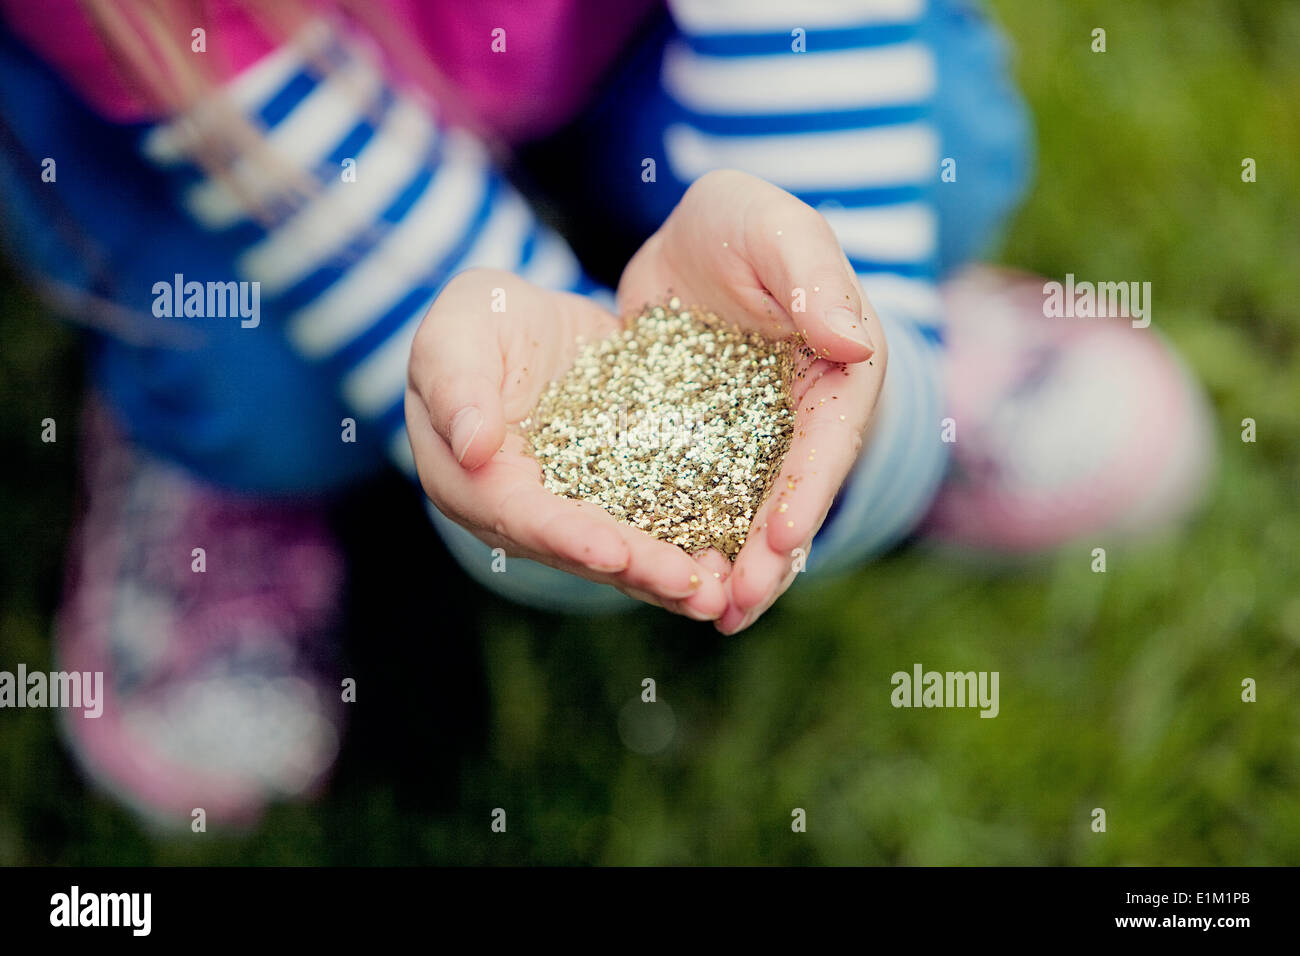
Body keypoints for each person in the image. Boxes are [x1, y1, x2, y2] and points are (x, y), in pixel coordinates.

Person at [0, 0, 1212, 825]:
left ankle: (902, 331)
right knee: (253, 383)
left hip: (612, 44)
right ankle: (216, 456)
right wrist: (504, 472)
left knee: (943, 144)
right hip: (210, 123)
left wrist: (851, 383)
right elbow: (423, 321)